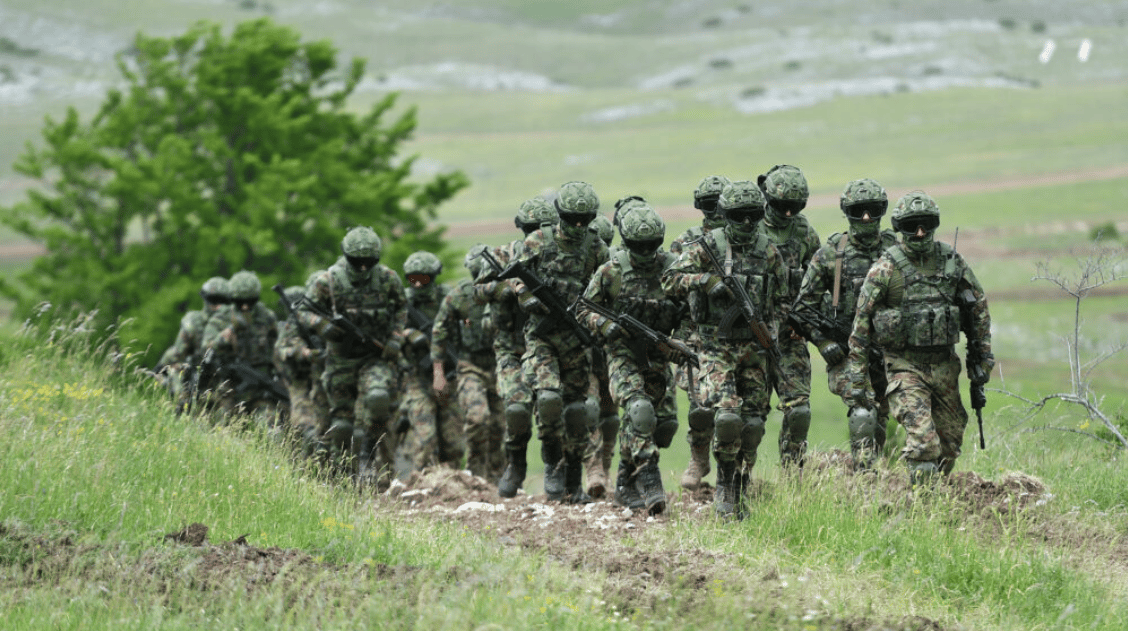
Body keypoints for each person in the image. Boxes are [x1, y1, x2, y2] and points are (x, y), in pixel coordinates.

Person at [841, 191, 994, 486]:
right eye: (912, 226)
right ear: (900, 228)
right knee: (924, 445)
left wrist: (982, 360)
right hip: (904, 367)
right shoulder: (885, 269)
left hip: (944, 367)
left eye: (926, 225)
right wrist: (858, 382)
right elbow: (860, 328)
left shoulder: (952, 262)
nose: (920, 232)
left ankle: (929, 494)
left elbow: (978, 311)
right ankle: (920, 514)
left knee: (949, 443)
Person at [661, 180, 788, 518]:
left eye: (753, 216)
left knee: (754, 424)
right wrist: (705, 281)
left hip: (755, 349)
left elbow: (783, 300)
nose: (747, 223)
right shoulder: (707, 247)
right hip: (715, 347)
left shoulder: (770, 251)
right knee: (727, 415)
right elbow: (669, 280)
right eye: (739, 216)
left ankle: (742, 481)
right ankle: (725, 485)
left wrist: (771, 333)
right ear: (726, 215)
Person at [578, 202, 682, 514]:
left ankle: (624, 481)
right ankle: (651, 482)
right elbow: (584, 309)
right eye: (640, 246)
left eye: (651, 245)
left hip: (658, 356)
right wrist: (606, 325)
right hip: (622, 352)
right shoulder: (612, 271)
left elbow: (690, 311)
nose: (646, 252)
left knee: (658, 426)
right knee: (638, 410)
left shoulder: (673, 268)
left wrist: (681, 341)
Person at [510, 181, 610, 503]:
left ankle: (572, 480)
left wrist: (595, 318)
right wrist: (529, 298)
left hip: (577, 339)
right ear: (560, 215)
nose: (579, 226)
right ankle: (552, 462)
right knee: (549, 399)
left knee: (578, 411)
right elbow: (516, 276)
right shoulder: (538, 241)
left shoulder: (596, 248)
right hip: (541, 336)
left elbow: (608, 290)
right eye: (572, 219)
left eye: (585, 220)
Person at [792, 179, 898, 470]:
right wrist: (823, 342)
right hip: (847, 351)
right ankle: (865, 475)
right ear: (846, 212)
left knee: (883, 413)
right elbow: (802, 309)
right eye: (858, 210)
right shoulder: (829, 256)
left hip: (889, 350)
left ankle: (880, 468)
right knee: (863, 409)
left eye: (872, 210)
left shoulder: (897, 253)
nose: (865, 218)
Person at [299, 226, 407, 483]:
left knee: (379, 399)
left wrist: (395, 338)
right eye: (357, 262)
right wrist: (324, 327)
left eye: (368, 263)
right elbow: (303, 311)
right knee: (343, 424)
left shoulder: (388, 279)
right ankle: (343, 475)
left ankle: (371, 455)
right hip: (341, 360)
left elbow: (402, 307)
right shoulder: (329, 281)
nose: (362, 269)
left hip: (375, 357)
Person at [477, 196, 559, 498]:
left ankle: (553, 464)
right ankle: (516, 464)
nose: (535, 235)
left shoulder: (558, 258)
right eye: (531, 228)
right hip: (511, 347)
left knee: (550, 406)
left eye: (541, 228)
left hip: (548, 343)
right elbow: (478, 290)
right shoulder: (504, 254)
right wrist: (509, 287)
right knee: (516, 409)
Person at [669, 175, 730, 490]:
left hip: (736, 337)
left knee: (734, 409)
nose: (715, 210)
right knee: (701, 405)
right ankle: (698, 458)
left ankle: (732, 471)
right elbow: (671, 285)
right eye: (709, 204)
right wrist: (703, 281)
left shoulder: (743, 240)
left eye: (721, 203)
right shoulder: (686, 242)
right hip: (696, 335)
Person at [758, 164, 821, 469]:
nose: (787, 214)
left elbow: (819, 283)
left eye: (794, 208)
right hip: (750, 339)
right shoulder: (749, 227)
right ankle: (736, 481)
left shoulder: (805, 233)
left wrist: (806, 324)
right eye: (781, 207)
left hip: (790, 337)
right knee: (747, 418)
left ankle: (793, 477)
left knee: (799, 411)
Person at [432, 245, 504, 480]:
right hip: (470, 366)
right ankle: (476, 473)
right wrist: (438, 373)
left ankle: (497, 479)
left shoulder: (504, 293)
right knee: (477, 418)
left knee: (499, 427)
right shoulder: (459, 296)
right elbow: (439, 333)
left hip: (501, 365)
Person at [397, 251, 464, 475]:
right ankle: (422, 486)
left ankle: (451, 486)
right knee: (425, 440)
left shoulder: (449, 298)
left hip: (451, 375)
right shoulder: (401, 302)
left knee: (454, 444)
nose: (417, 284)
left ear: (433, 277)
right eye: (412, 279)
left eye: (423, 279)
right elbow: (384, 332)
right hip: (417, 377)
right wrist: (407, 334)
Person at [201, 270, 282, 422]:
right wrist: (228, 334)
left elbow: (279, 347)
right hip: (228, 391)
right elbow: (205, 349)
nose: (245, 307)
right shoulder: (221, 318)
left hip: (260, 391)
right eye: (239, 303)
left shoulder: (267, 317)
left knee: (272, 431)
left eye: (250, 302)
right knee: (222, 432)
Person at [155, 276, 231, 414]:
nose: (218, 306)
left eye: (223, 301)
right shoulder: (194, 322)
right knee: (175, 370)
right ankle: (181, 406)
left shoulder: (234, 325)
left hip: (226, 382)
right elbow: (177, 353)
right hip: (198, 377)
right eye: (214, 301)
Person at [273, 281, 330, 463]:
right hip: (299, 385)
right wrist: (306, 353)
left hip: (323, 382)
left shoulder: (323, 321)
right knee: (306, 427)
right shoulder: (290, 326)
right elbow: (283, 351)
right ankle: (305, 465)